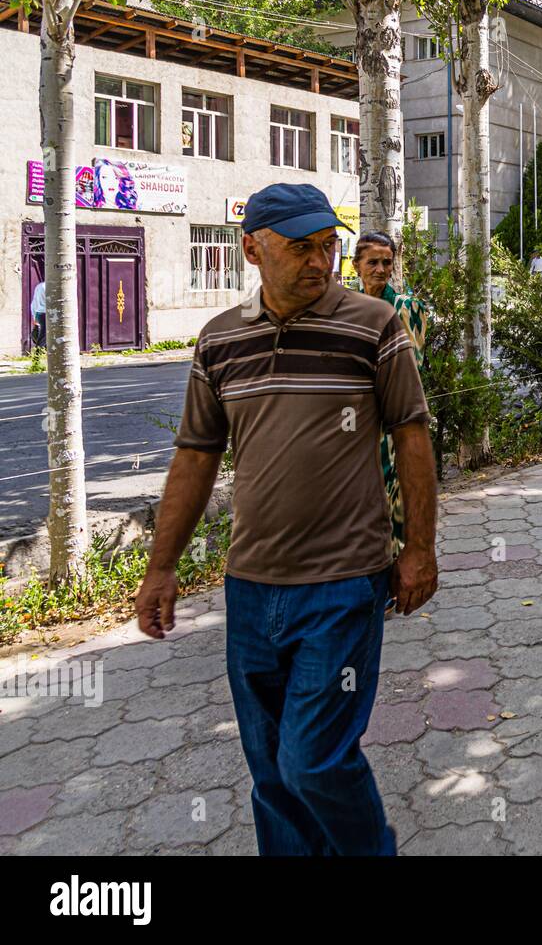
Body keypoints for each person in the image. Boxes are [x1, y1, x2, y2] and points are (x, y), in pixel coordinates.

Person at [134, 183, 439, 856]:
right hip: (249, 590)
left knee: (314, 760)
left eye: (328, 246)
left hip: (344, 582)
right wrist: (162, 567)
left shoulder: (373, 326)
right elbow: (195, 455)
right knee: (271, 771)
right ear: (252, 249)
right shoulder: (219, 343)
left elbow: (412, 434)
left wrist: (419, 548)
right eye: (301, 247)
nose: (320, 261)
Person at [354, 229, 432, 558]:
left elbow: (410, 368)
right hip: (352, 424)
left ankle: (393, 572)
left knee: (393, 497)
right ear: (356, 265)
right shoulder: (343, 307)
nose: (381, 269)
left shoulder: (405, 308)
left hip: (390, 422)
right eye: (372, 262)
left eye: (387, 262)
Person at [29, 280, 46, 349]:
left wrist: (35, 318)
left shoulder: (39, 286)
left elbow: (33, 304)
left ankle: (38, 355)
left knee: (42, 335)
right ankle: (37, 356)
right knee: (43, 336)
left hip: (39, 313)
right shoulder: (51, 287)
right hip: (48, 313)